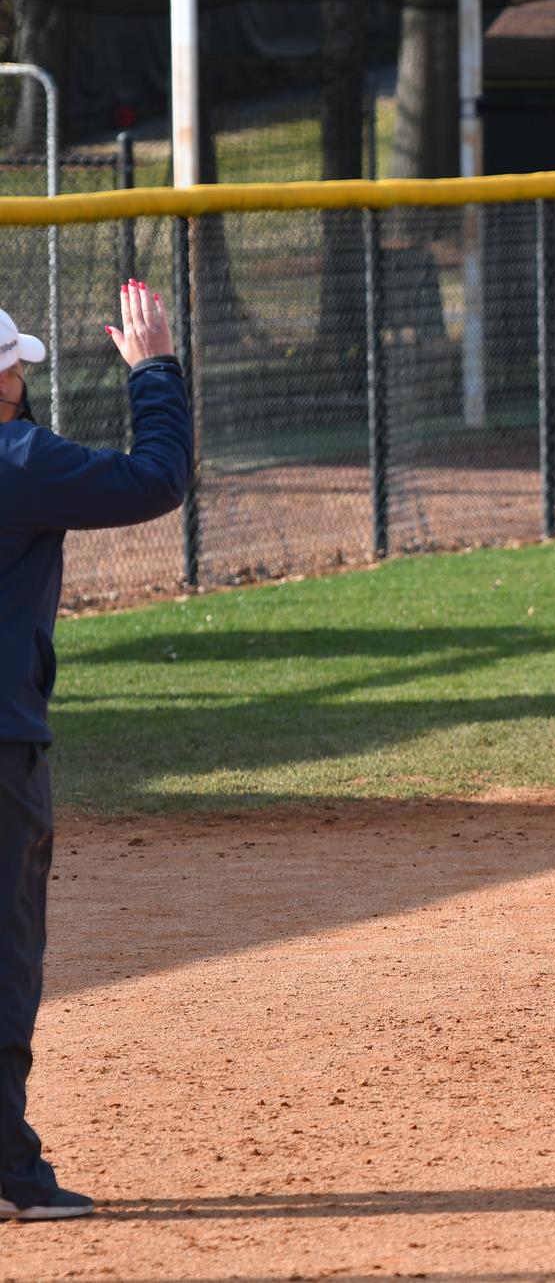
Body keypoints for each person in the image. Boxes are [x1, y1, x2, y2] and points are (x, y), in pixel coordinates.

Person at [1, 283, 191, 1221]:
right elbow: (155, 478)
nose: (21, 383)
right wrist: (154, 371)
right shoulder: (18, 459)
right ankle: (10, 1174)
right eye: (13, 368)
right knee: (4, 958)